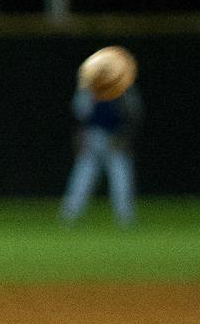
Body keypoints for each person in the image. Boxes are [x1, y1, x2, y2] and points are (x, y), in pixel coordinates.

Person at [58, 56, 143, 228]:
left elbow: (132, 114)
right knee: (85, 174)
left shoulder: (123, 86)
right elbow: (80, 114)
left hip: (114, 136)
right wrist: (80, 135)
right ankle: (70, 214)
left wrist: (123, 136)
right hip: (94, 135)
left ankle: (124, 216)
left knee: (118, 174)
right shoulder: (89, 85)